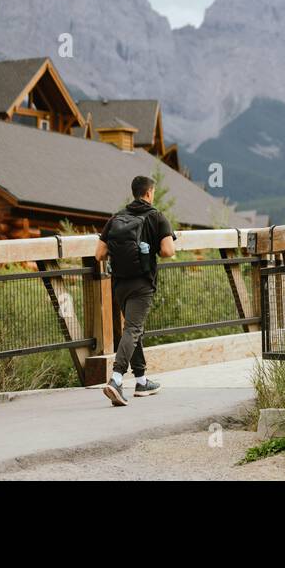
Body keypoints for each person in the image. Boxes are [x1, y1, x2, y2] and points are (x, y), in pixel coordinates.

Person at [95, 174, 176, 407]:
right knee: (133, 328)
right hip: (142, 284)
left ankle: (141, 381)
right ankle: (116, 379)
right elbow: (168, 251)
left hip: (119, 283)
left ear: (134, 192)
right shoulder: (156, 217)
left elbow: (99, 254)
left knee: (132, 328)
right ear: (150, 193)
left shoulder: (116, 218)